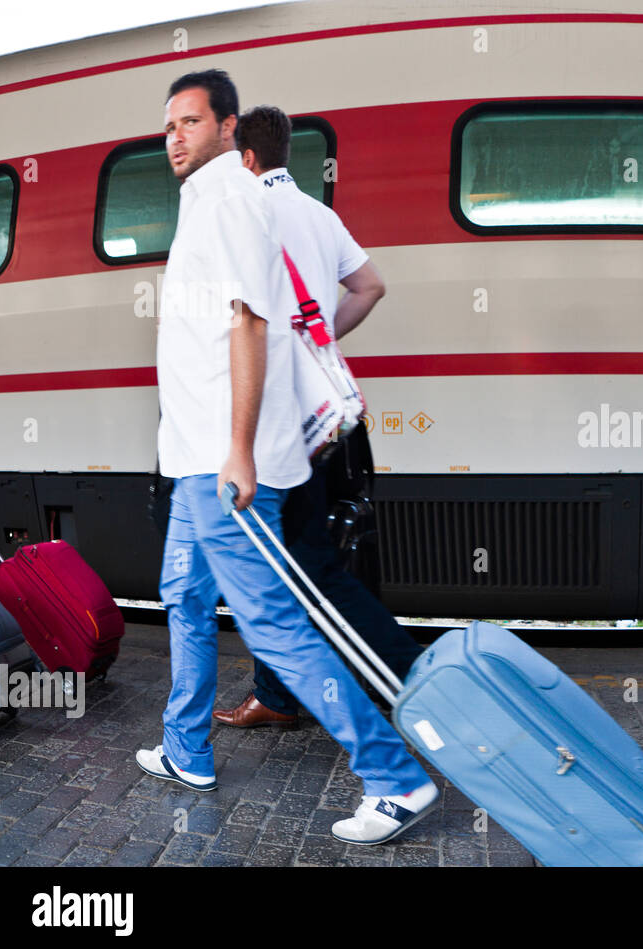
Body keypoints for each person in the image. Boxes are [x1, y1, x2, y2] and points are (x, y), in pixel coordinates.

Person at [137, 69, 438, 845]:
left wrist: (236, 451)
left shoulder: (232, 200)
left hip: (223, 462)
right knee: (184, 596)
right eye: (168, 125)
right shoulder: (204, 202)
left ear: (229, 128)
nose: (175, 136)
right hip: (192, 456)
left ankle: (396, 779)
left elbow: (251, 324)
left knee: (273, 627)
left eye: (191, 123)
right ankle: (187, 748)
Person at [211, 104, 423, 730]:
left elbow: (240, 325)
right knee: (310, 556)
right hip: (333, 421)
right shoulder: (320, 214)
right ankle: (282, 692)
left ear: (246, 158)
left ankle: (405, 675)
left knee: (292, 564)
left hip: (278, 423)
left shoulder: (245, 214)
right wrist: (321, 336)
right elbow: (371, 287)